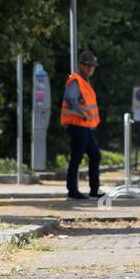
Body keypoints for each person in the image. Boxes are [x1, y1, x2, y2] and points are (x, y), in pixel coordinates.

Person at [61, 51, 102, 200]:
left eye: (93, 66)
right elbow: (70, 98)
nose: (91, 69)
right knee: (77, 157)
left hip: (84, 126)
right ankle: (72, 192)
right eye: (88, 66)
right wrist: (82, 113)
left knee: (95, 155)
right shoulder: (75, 80)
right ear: (80, 65)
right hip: (77, 124)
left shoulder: (84, 81)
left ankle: (94, 190)